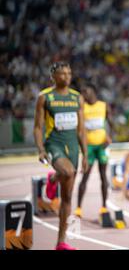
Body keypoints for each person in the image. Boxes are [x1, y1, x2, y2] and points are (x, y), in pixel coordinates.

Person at [33, 62, 87, 250]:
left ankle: (61, 242)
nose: (66, 76)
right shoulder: (44, 97)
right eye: (62, 73)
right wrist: (40, 149)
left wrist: (85, 155)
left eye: (69, 73)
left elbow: (81, 130)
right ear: (53, 76)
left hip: (72, 146)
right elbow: (38, 127)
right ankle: (55, 176)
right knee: (69, 171)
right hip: (54, 143)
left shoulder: (77, 98)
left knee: (67, 197)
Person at [75, 84, 114, 218]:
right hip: (89, 147)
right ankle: (78, 208)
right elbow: (79, 129)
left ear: (93, 91)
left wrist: (110, 138)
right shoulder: (82, 108)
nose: (83, 95)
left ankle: (104, 206)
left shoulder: (103, 106)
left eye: (86, 91)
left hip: (102, 146)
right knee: (85, 176)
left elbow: (112, 123)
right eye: (82, 92)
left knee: (103, 177)